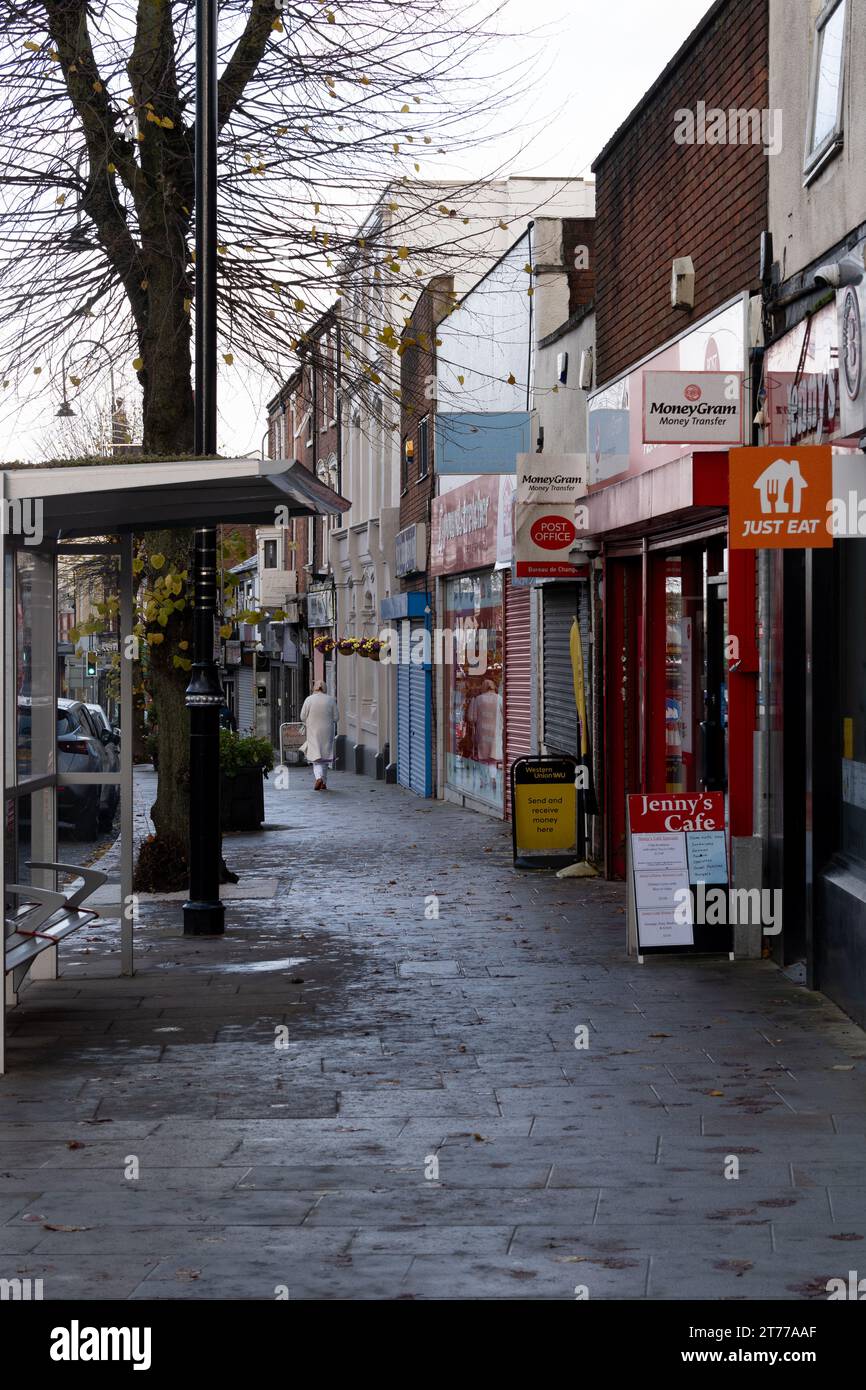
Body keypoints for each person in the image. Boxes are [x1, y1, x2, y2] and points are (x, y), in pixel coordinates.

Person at [299, 681, 339, 790]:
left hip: (313, 731)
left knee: (315, 757)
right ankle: (324, 782)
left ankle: (319, 778)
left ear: (314, 688)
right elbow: (336, 718)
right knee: (325, 757)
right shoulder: (331, 700)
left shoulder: (309, 699)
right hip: (327, 731)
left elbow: (302, 716)